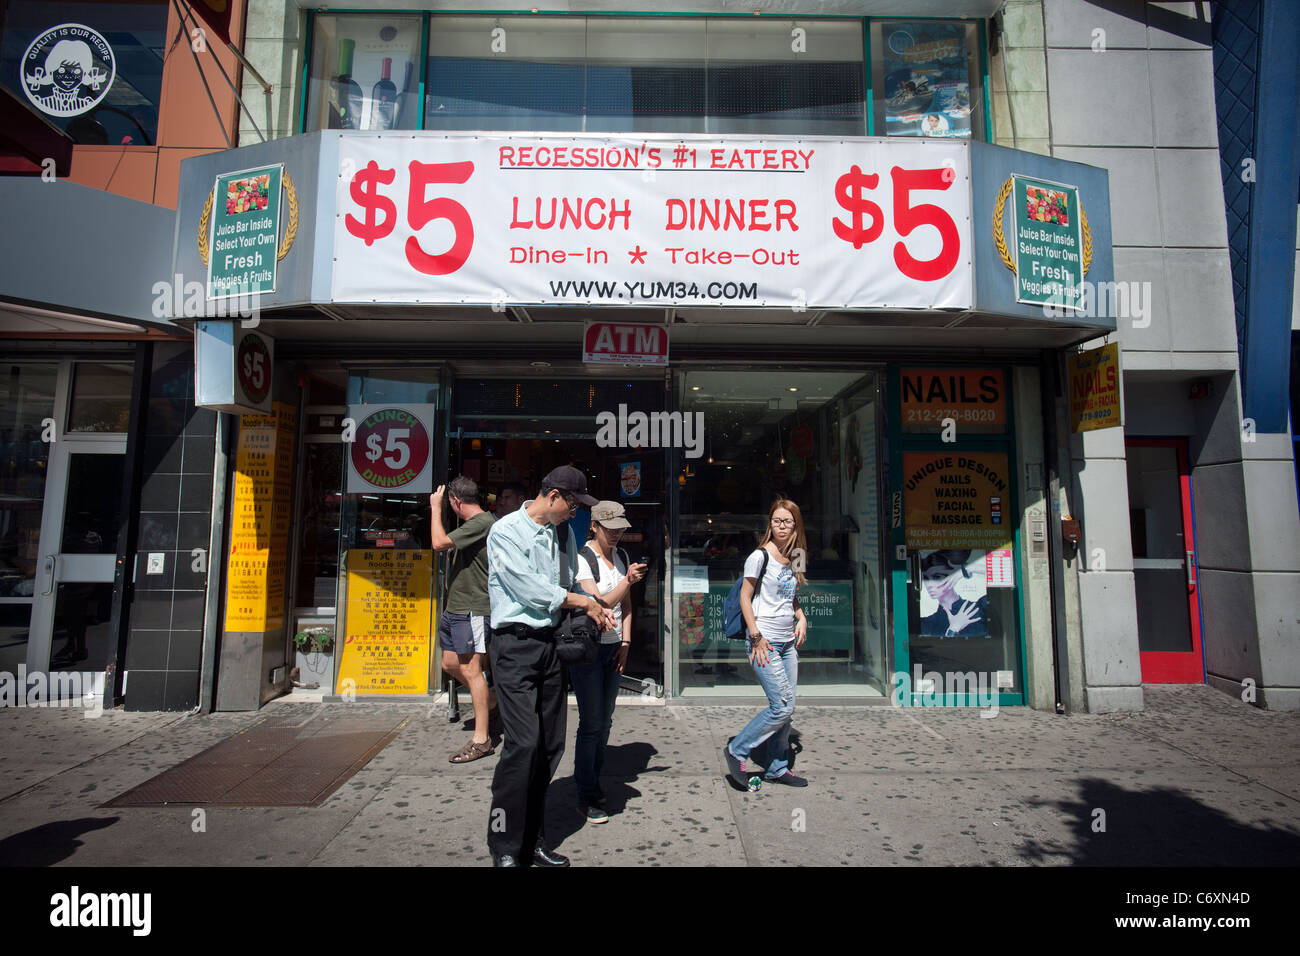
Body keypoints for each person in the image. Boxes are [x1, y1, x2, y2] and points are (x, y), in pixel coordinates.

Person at [485, 465, 616, 867]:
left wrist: (599, 605)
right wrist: (583, 603)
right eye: (573, 505)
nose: (575, 513)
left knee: (548, 746)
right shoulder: (505, 531)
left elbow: (576, 579)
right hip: (514, 646)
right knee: (522, 744)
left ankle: (533, 841)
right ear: (555, 496)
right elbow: (526, 586)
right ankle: (505, 846)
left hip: (551, 646)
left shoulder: (565, 532)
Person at [723, 499, 810, 789]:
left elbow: (790, 594)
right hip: (765, 641)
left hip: (788, 642)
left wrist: (801, 616)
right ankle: (738, 749)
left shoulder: (797, 554)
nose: (781, 527)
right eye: (776, 521)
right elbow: (745, 597)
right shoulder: (759, 556)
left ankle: (777, 767)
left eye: (787, 521)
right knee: (781, 706)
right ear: (769, 524)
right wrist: (756, 636)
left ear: (796, 524)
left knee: (788, 708)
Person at [571, 501, 647, 823]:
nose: (616, 533)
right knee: (592, 723)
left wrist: (626, 641)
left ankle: (594, 780)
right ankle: (585, 792)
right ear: (595, 526)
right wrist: (627, 581)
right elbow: (598, 605)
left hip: (614, 648)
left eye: (620, 527)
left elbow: (626, 607)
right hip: (589, 650)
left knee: (606, 721)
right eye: (610, 527)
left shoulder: (622, 558)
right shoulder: (582, 559)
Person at [430, 477, 497, 763]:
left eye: (449, 503)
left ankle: (482, 739)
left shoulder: (481, 522)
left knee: (471, 670)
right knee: (449, 663)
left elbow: (438, 543)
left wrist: (435, 508)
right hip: (456, 607)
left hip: (473, 607)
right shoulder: (476, 524)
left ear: (456, 501)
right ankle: (492, 701)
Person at [918, 549, 988, 638]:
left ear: (952, 576)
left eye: (937, 577)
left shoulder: (979, 608)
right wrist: (953, 630)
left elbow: (1003, 573)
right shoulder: (928, 623)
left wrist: (967, 569)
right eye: (926, 578)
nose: (930, 584)